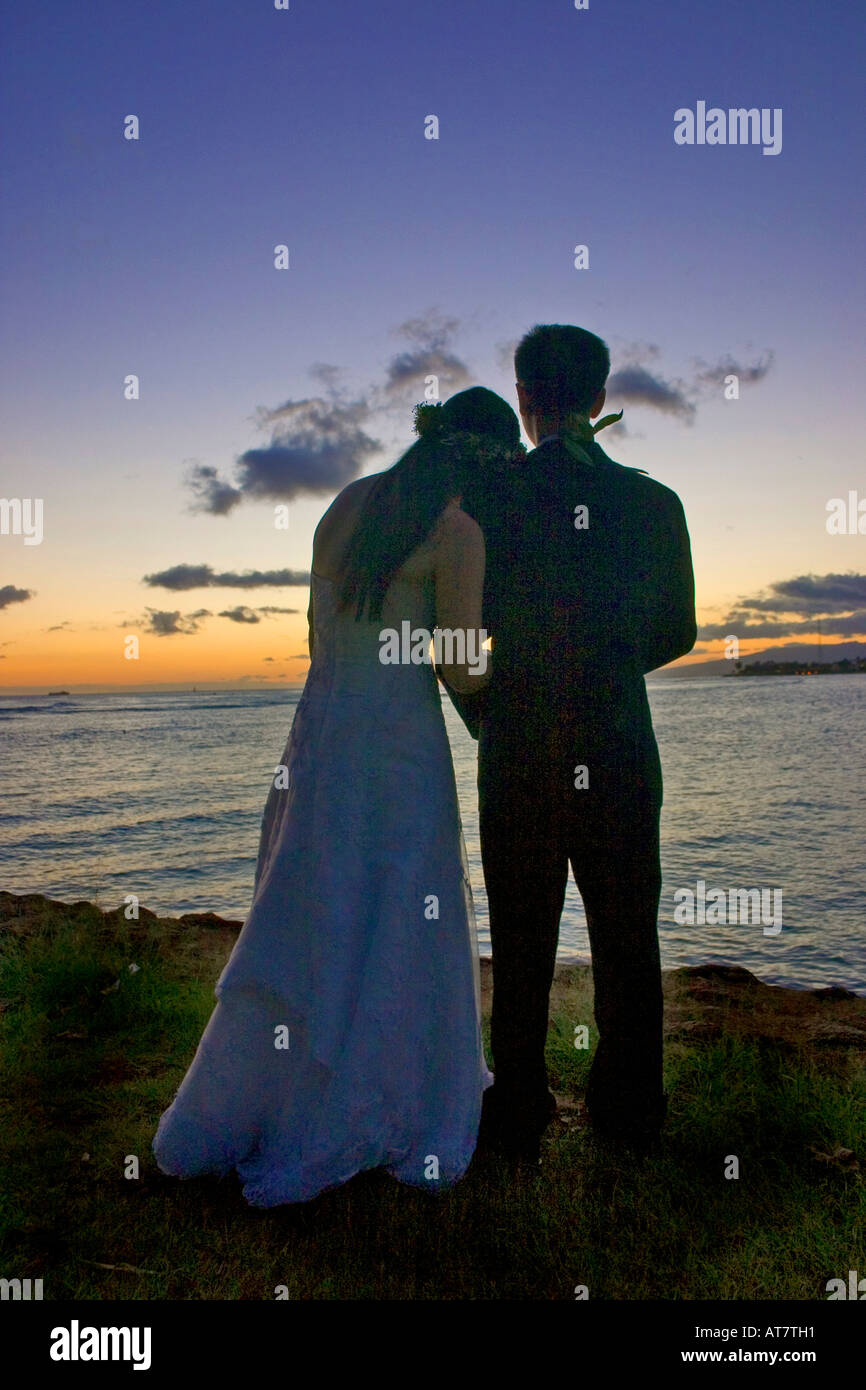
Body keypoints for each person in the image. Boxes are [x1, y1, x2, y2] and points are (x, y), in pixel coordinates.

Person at [152, 387, 520, 1206]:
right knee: (399, 906)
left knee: (312, 905)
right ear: (485, 460)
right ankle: (374, 1099)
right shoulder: (458, 532)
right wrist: (523, 694)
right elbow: (461, 665)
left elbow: (317, 633)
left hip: (319, 735)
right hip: (396, 743)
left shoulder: (348, 504)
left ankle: (260, 1096)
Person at [444, 325, 697, 1162]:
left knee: (521, 937)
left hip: (517, 742)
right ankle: (628, 1109)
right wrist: (606, 664)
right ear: (597, 398)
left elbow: (462, 628)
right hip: (618, 740)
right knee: (628, 932)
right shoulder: (656, 505)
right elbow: (679, 631)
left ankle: (516, 1106)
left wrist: (497, 702)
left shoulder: (489, 500)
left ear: (523, 400)